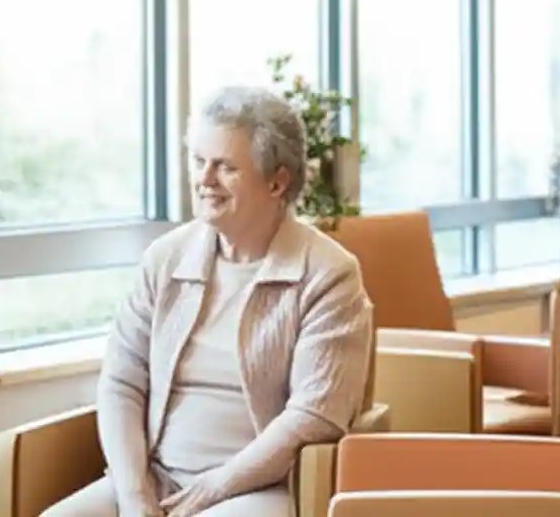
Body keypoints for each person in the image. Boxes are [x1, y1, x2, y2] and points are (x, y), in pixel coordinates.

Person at [44, 86, 373, 517]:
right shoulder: (166, 259)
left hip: (260, 488)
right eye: (199, 162)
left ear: (277, 181)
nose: (204, 179)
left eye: (225, 167)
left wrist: (210, 491)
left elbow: (313, 415)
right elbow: (122, 381)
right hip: (157, 479)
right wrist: (134, 495)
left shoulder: (328, 274)